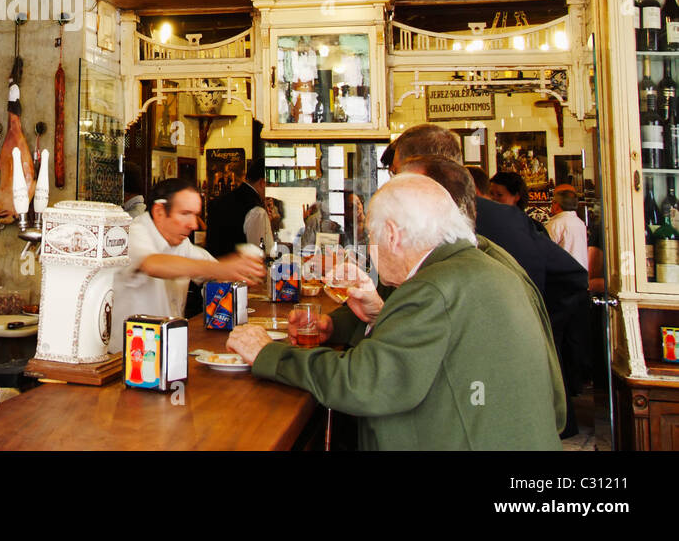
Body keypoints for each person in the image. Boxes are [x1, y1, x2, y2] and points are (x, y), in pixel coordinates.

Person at [227, 174, 565, 450]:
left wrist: (268, 353)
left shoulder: (434, 287)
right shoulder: (490, 266)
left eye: (372, 236)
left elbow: (364, 384)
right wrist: (380, 316)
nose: (371, 250)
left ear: (391, 235)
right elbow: (557, 404)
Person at [385, 123, 588, 437]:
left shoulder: (430, 228)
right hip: (513, 400)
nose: (393, 183)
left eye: (396, 172)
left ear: (422, 170)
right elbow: (572, 276)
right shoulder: (510, 218)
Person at [111, 177, 264, 340]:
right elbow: (152, 264)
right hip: (126, 356)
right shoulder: (133, 233)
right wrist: (222, 268)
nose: (194, 224)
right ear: (159, 212)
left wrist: (242, 270)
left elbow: (209, 268)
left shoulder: (180, 242)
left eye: (195, 215)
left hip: (168, 347)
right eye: (185, 214)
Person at [205, 157, 267, 257]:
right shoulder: (257, 210)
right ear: (263, 183)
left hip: (214, 267)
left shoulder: (220, 200)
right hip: (239, 269)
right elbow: (258, 252)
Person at [546, 184, 588, 270]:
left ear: (556, 205)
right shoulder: (580, 223)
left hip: (563, 276)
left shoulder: (555, 225)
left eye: (553, 202)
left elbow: (545, 252)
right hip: (581, 274)